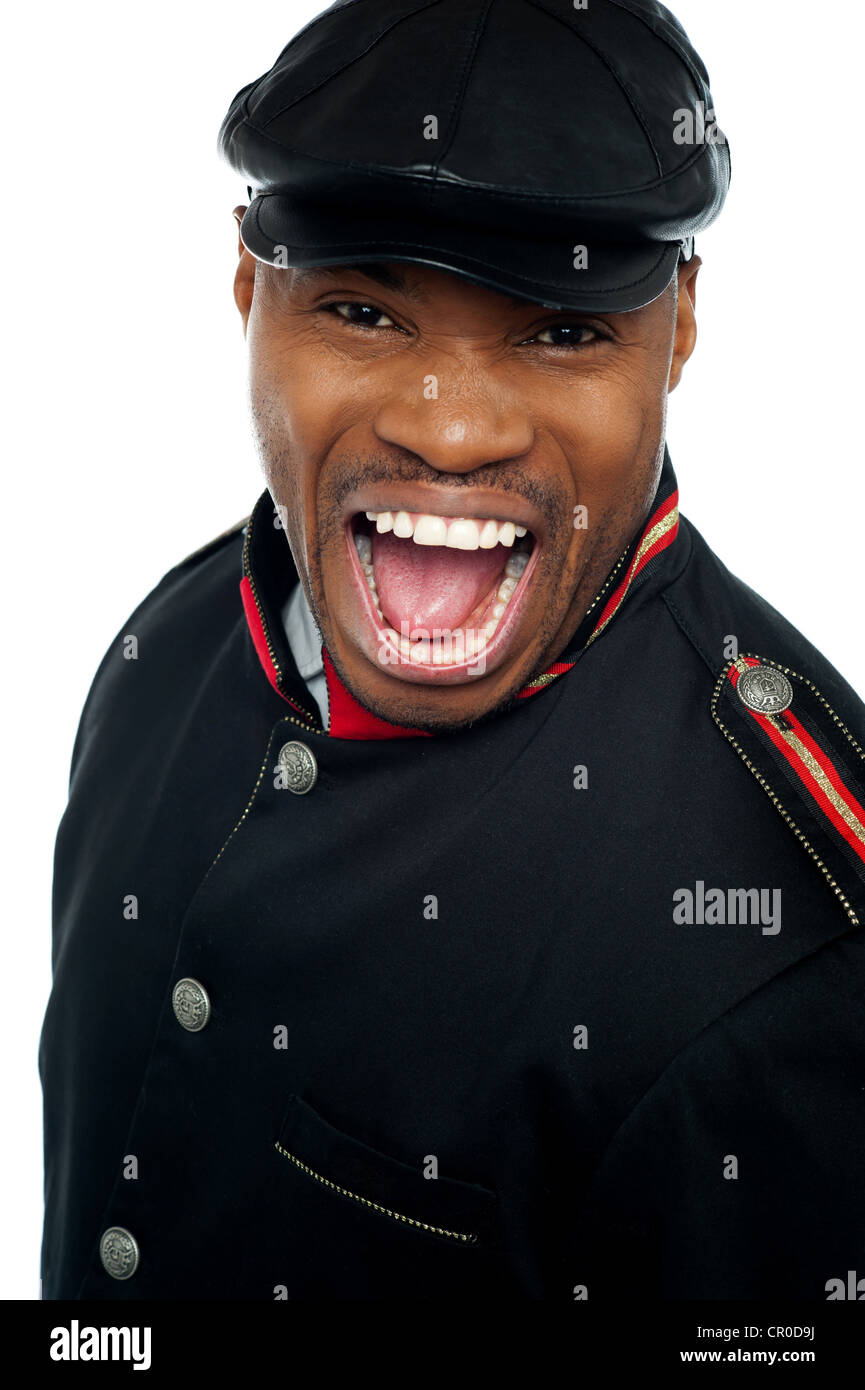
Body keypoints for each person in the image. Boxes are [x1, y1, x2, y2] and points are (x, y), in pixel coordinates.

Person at [40, 0, 865, 1301]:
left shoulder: (794, 954)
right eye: (366, 312)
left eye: (559, 328)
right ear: (250, 286)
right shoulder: (162, 646)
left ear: (680, 324)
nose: (454, 431)